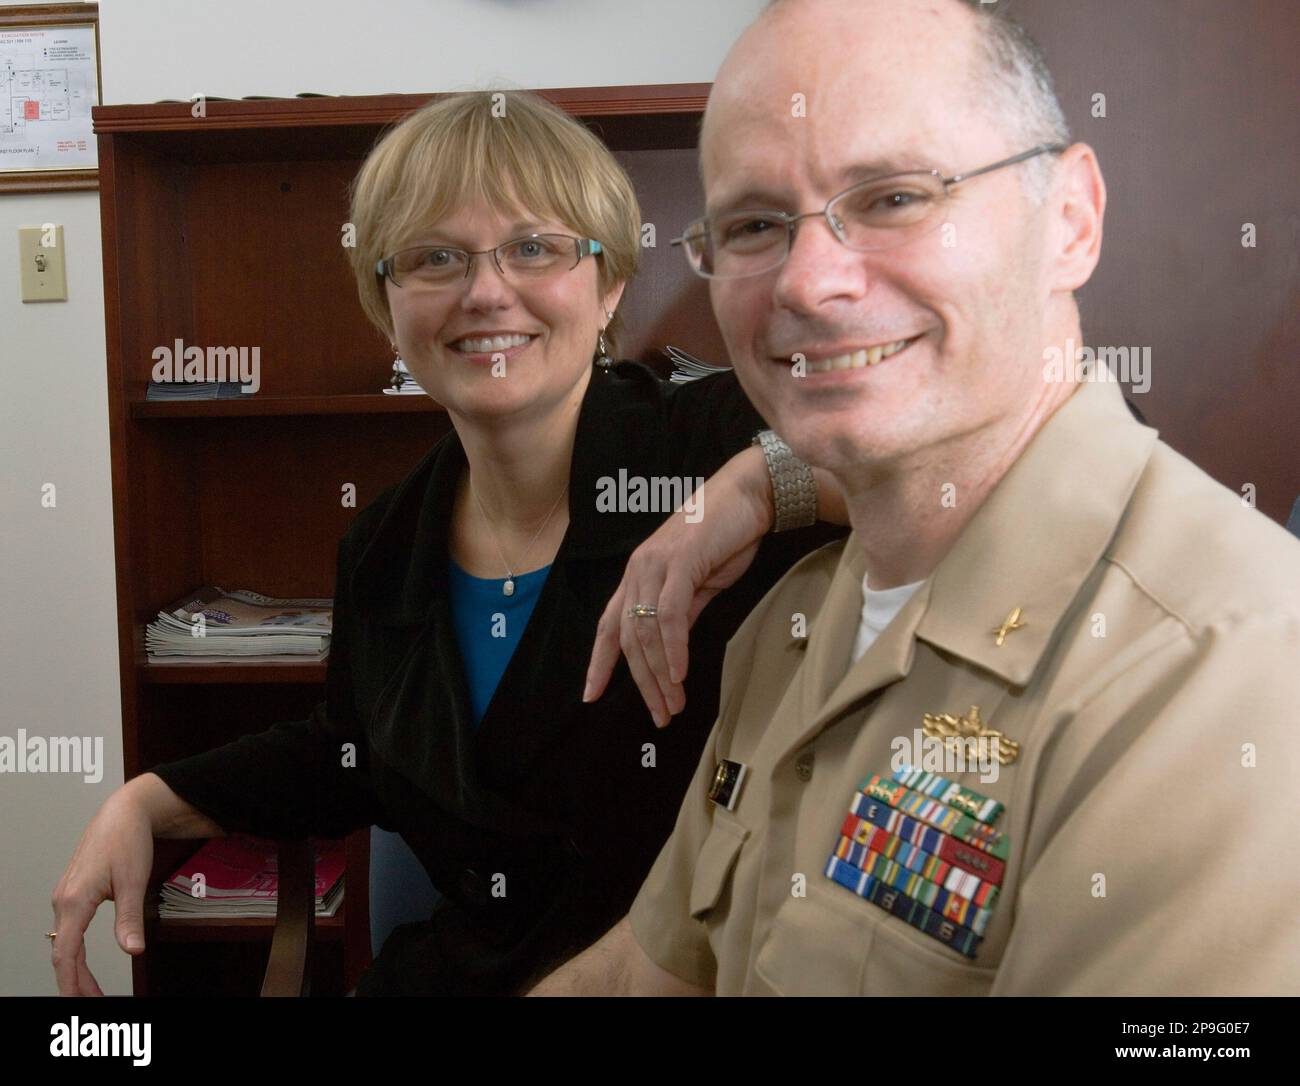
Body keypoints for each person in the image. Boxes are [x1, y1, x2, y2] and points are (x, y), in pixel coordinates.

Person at [533, 0, 1300, 996]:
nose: (809, 283)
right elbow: (648, 973)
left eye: (894, 196)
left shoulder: (1221, 675)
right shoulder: (795, 621)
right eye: (756, 224)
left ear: (1068, 220)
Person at [49, 89, 846, 997]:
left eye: (534, 248)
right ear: (386, 305)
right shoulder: (388, 540)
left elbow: (965, 455)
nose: (484, 291)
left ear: (611, 279)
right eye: (434, 258)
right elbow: (348, 755)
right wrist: (146, 798)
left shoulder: (707, 441)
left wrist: (753, 490)